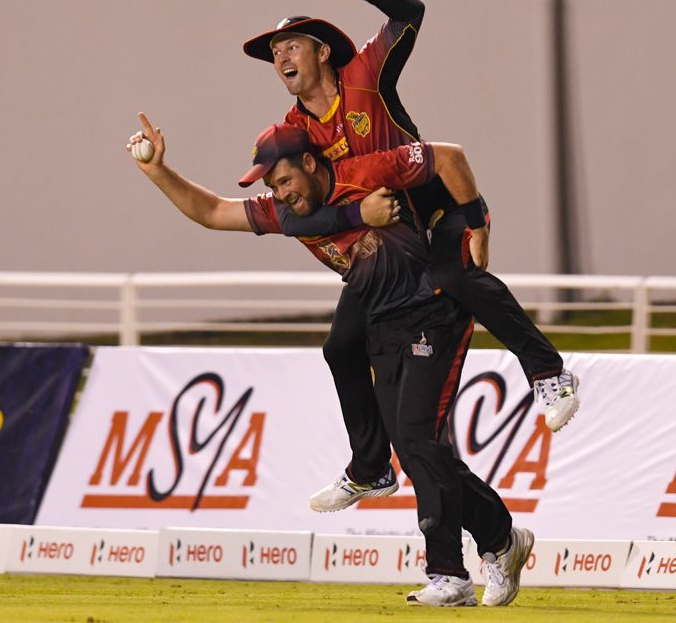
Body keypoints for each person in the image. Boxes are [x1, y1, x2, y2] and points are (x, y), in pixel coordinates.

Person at [127, 114, 534, 608]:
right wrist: (158, 173)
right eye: (272, 187)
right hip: (383, 326)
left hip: (434, 313)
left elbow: (445, 156)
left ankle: (450, 575)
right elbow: (213, 211)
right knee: (415, 449)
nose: (280, 194)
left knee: (417, 442)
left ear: (309, 161)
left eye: (283, 180)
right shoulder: (290, 214)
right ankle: (500, 539)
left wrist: (475, 225)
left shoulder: (365, 175)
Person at [242, 0, 580, 514]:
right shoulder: (295, 132)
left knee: (455, 275)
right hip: (389, 234)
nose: (280, 57)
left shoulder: (363, 74)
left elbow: (411, 13)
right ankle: (371, 470)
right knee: (339, 346)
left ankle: (550, 374)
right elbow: (290, 194)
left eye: (291, 45)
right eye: (274, 51)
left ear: (322, 51)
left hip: (435, 201)